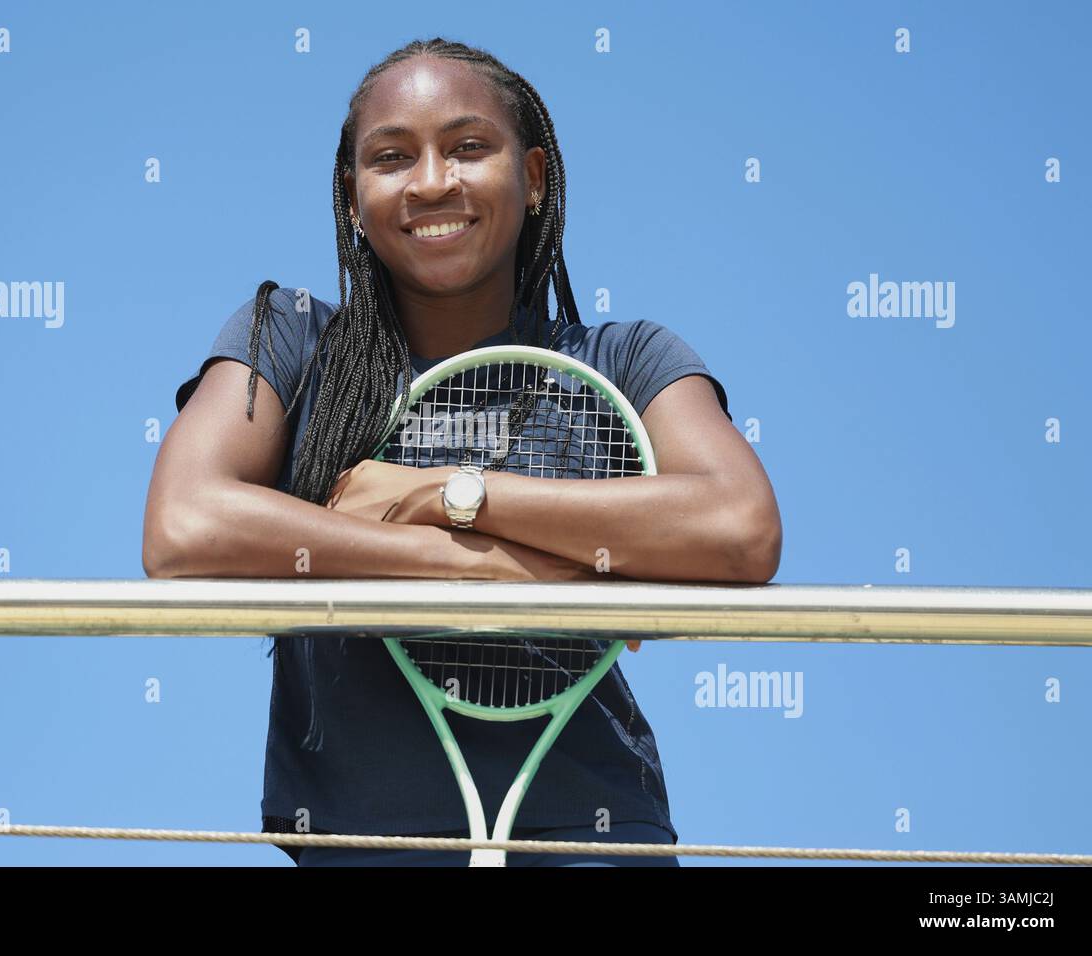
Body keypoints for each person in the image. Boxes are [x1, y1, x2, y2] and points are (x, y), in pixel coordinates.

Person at [144, 37, 782, 866]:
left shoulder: (625, 361)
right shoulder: (292, 340)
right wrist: (481, 569)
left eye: (470, 146)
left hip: (594, 839)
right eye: (392, 157)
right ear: (350, 197)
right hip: (353, 848)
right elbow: (184, 526)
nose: (432, 180)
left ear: (536, 178)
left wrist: (449, 492)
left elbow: (739, 528)